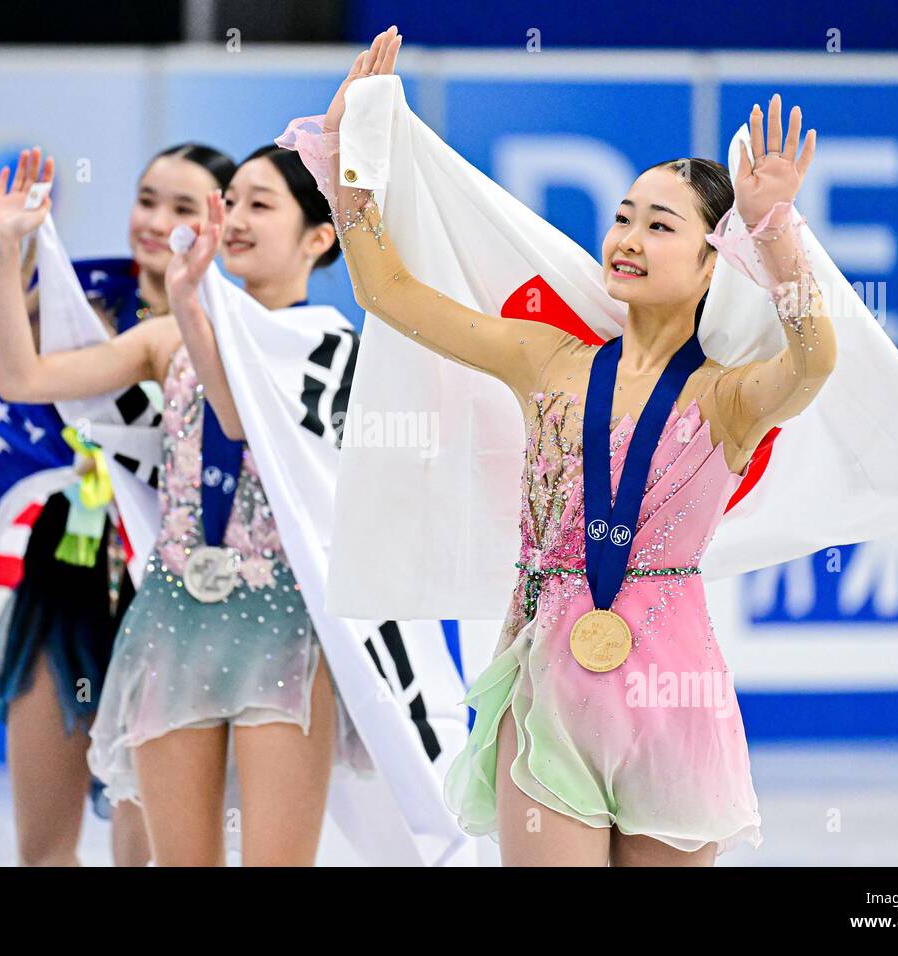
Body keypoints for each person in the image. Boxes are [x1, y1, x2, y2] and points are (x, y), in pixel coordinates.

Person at [287, 26, 836, 867]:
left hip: (672, 691)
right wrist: (348, 166)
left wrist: (774, 234)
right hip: (547, 679)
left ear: (710, 263)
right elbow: (389, 292)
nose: (627, 238)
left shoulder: (726, 398)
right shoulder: (546, 359)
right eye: (623, 217)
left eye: (660, 226)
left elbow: (813, 360)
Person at [0, 141, 355, 866]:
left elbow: (242, 415)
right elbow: (21, 378)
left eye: (260, 203)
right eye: (233, 200)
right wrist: (2, 253)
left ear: (317, 238)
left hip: (283, 625)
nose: (236, 217)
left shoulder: (332, 347)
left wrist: (188, 305)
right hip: (173, 618)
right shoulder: (166, 337)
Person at [0, 143, 235, 866]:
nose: (155, 221)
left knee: (145, 850)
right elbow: (11, 371)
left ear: (217, 220)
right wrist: (7, 253)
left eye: (182, 207)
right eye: (146, 199)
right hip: (70, 571)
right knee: (42, 848)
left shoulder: (234, 331)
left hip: (173, 588)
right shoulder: (85, 301)